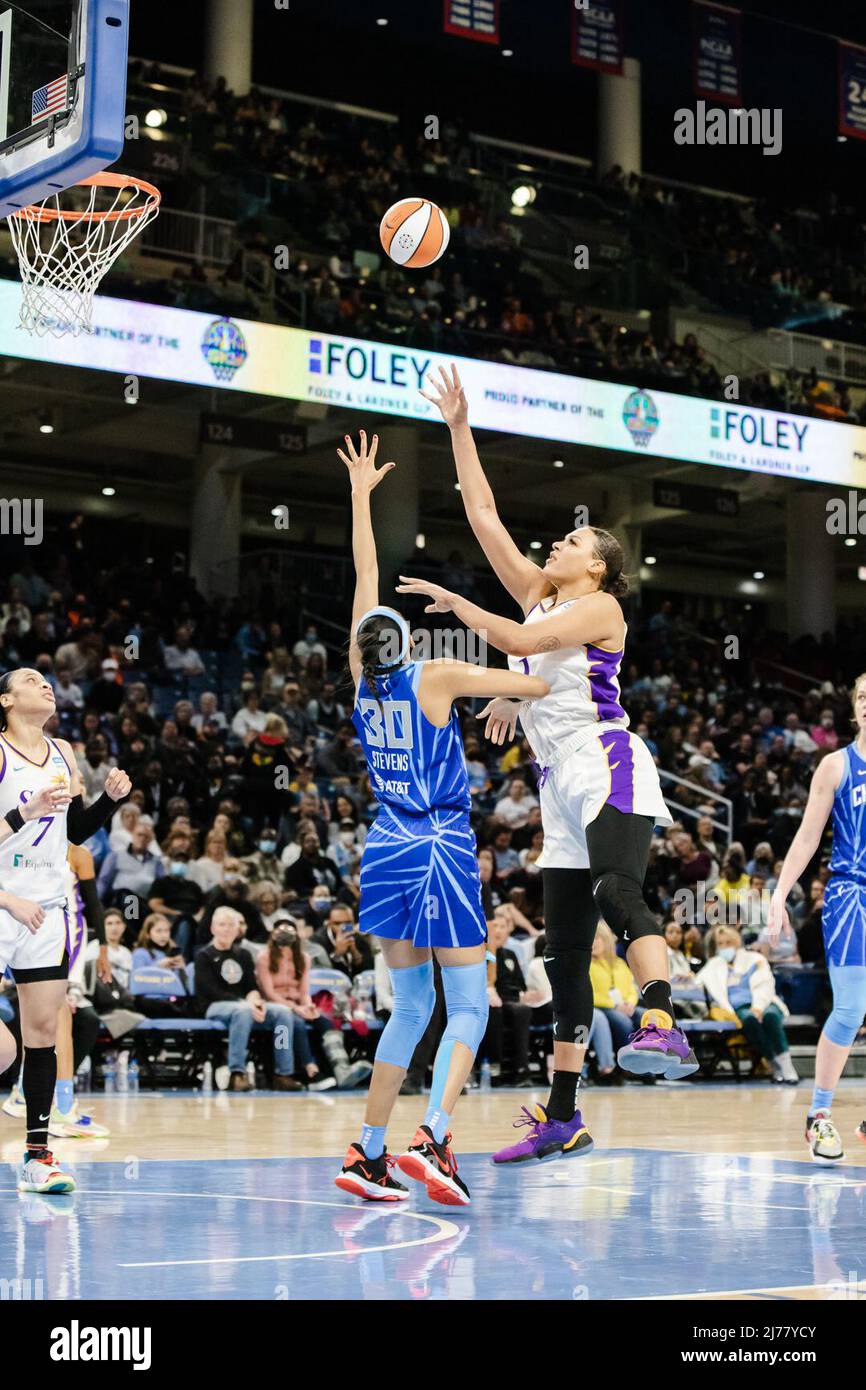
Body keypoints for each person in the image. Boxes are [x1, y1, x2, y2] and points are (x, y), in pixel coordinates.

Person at [410, 366, 692, 1171]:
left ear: (598, 567)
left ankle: (661, 1018)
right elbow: (482, 512)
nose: (556, 545)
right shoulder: (541, 594)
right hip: (556, 782)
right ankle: (564, 1117)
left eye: (573, 542)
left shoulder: (601, 609)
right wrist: (459, 426)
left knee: (615, 890)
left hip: (609, 759)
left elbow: (526, 649)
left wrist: (463, 612)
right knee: (563, 955)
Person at [332, 430, 549, 1206]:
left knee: (410, 1006)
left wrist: (360, 496)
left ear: (364, 647)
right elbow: (534, 669)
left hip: (383, 845)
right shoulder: (438, 673)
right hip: (438, 844)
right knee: (468, 1006)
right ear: (410, 641)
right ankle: (434, 1136)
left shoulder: (361, 681)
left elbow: (365, 573)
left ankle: (366, 1154)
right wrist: (503, 691)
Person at [0, 667, 130, 1192]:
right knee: (4, 1050)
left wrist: (110, 802)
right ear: (7, 699)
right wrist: (21, 813)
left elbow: (75, 831)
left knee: (40, 1036)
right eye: (32, 680)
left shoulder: (63, 753)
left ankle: (37, 1155)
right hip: (3, 899)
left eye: (47, 680)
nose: (45, 684)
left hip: (47, 907)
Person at [768, 673, 866, 1164]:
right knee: (850, 1009)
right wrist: (779, 895)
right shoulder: (836, 765)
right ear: (853, 709)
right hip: (851, 895)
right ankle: (819, 1117)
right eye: (863, 698)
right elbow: (807, 838)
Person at [193, 906, 302, 1091]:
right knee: (242, 1012)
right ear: (213, 929)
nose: (227, 929)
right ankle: (237, 1073)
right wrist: (247, 1004)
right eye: (222, 925)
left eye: (231, 925)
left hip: (245, 1005)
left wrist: (256, 1002)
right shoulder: (204, 955)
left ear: (238, 929)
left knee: (282, 1013)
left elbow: (251, 987)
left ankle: (283, 1073)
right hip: (214, 1007)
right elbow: (210, 991)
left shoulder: (243, 955)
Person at [697, 925, 797, 1084]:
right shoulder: (714, 965)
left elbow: (765, 985)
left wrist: (758, 1007)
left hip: (765, 1002)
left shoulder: (755, 959)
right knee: (749, 1020)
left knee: (771, 1016)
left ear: (736, 942)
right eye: (720, 943)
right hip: (739, 1008)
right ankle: (773, 1063)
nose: (724, 947)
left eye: (728, 942)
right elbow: (698, 982)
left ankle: (787, 1067)